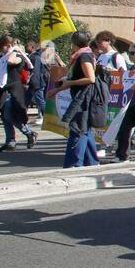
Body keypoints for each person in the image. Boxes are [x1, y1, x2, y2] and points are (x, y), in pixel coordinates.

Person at [50, 31, 100, 167]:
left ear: (74, 43)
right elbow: (74, 78)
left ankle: (74, 164)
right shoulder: (81, 55)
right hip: (80, 95)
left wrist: (69, 83)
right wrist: (57, 89)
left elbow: (90, 78)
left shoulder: (84, 56)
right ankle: (92, 162)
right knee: (85, 129)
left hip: (83, 98)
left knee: (77, 129)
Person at [0, 36, 37, 150]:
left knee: (8, 114)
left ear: (9, 45)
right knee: (5, 116)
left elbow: (11, 61)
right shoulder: (3, 58)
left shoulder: (18, 55)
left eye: (3, 47)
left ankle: (29, 133)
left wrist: (14, 49)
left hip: (14, 90)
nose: (2, 50)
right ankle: (10, 141)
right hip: (4, 89)